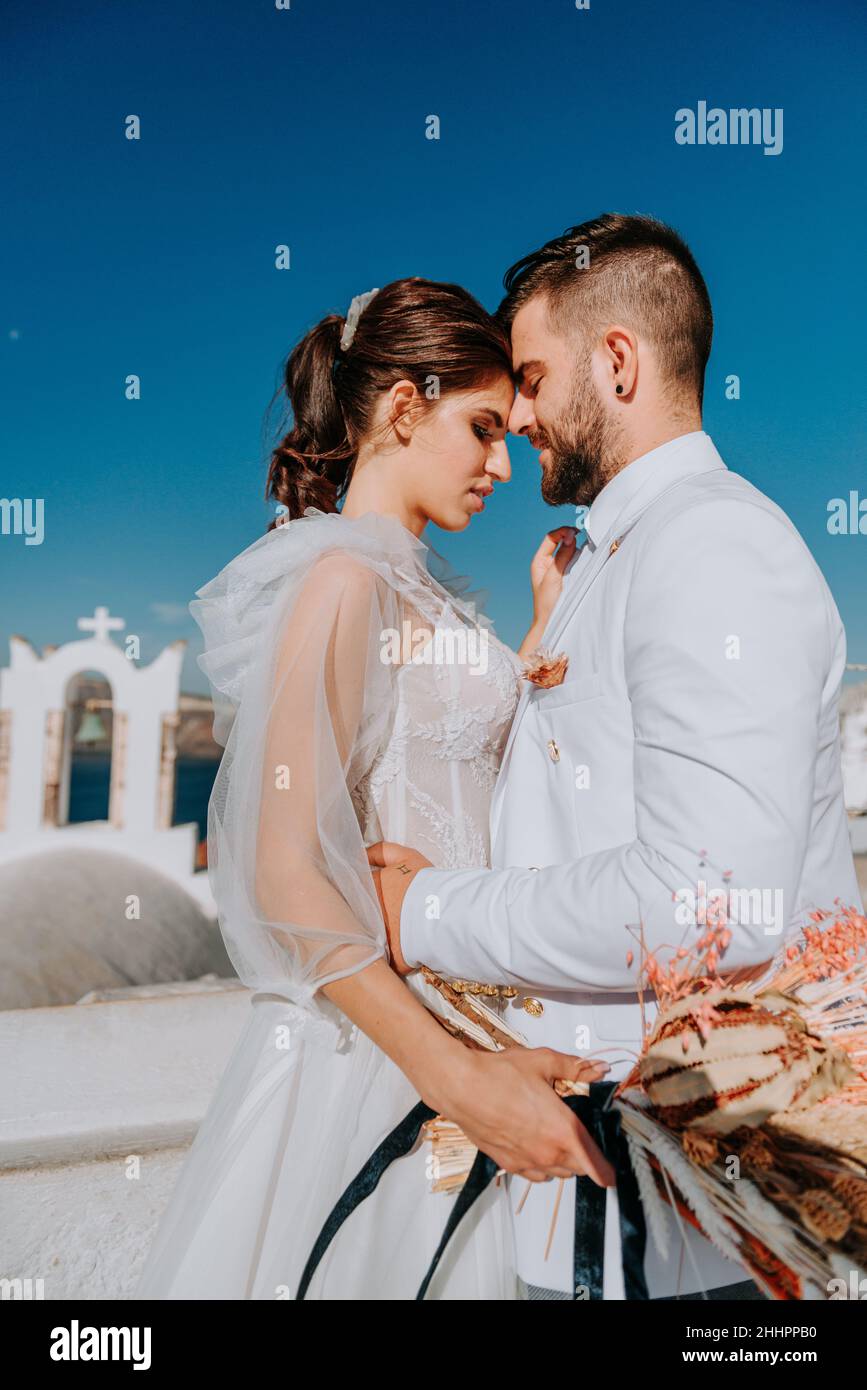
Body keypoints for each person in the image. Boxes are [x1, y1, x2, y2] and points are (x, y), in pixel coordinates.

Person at [371, 215, 864, 1300]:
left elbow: (712, 900)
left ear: (621, 361)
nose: (525, 414)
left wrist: (424, 914)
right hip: (607, 1205)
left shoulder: (713, 545)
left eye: (536, 379)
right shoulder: (612, 561)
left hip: (708, 1237)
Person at [135, 276, 610, 1302]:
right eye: (482, 427)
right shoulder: (341, 579)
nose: (501, 463)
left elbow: (433, 765)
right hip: (377, 1061)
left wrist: (533, 636)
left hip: (471, 1025)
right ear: (402, 406)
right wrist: (459, 1080)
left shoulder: (416, 591)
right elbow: (284, 867)